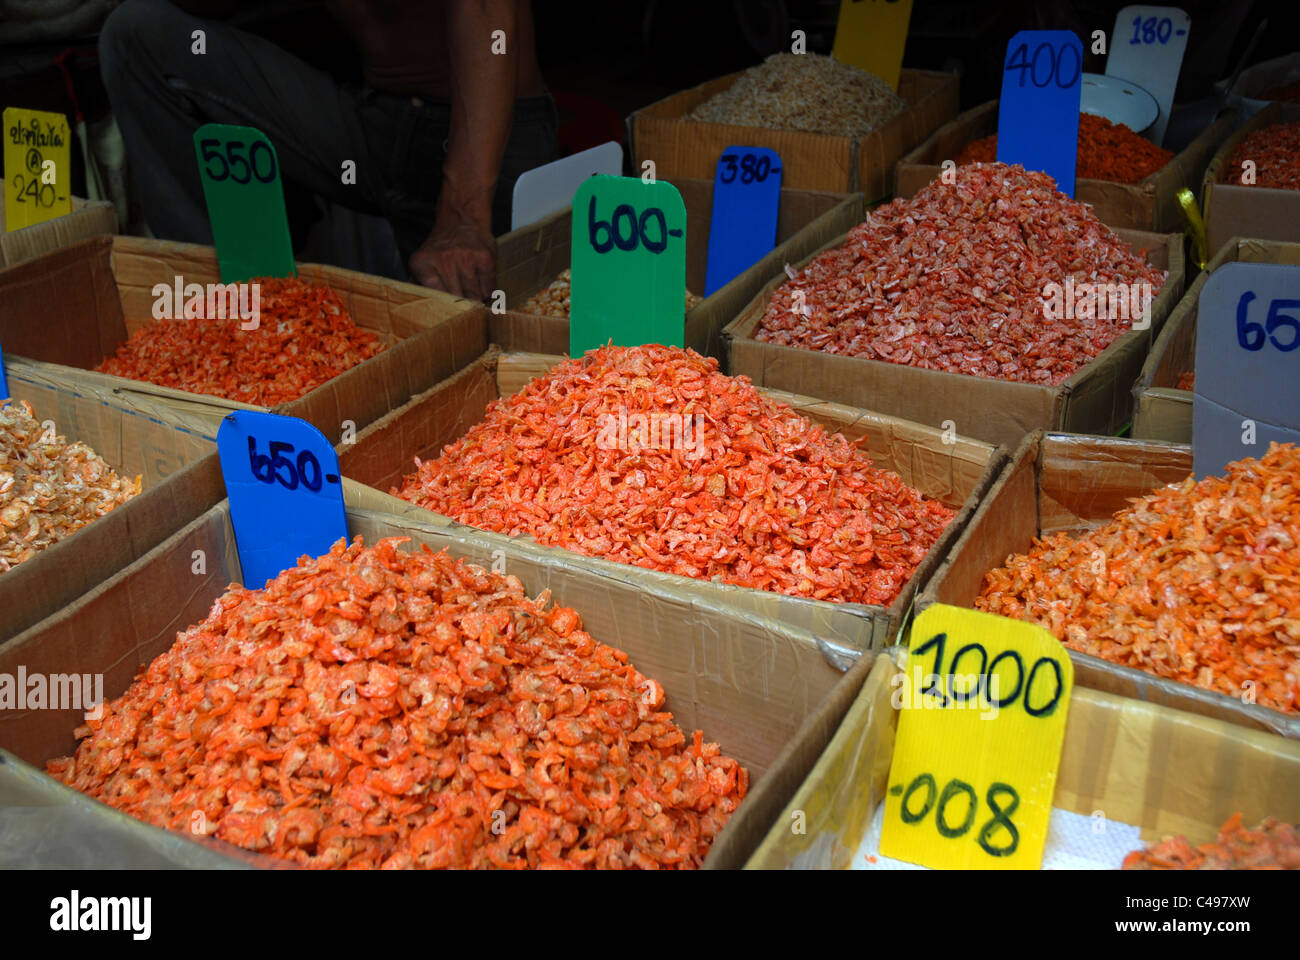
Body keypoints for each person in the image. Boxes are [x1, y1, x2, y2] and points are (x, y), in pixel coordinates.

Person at [98, 0, 556, 300]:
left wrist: (463, 216)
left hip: (490, 131)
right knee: (137, 34)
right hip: (378, 124)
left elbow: (484, 9)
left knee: (492, 341)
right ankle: (225, 307)